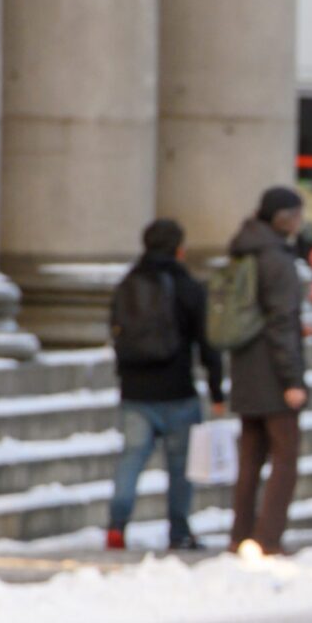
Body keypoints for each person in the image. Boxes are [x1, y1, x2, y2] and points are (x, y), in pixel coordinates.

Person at [106, 218, 223, 552]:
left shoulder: (128, 283)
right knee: (180, 468)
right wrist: (216, 388)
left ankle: (117, 524)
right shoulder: (187, 287)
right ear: (179, 249)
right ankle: (178, 529)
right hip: (178, 391)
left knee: (130, 460)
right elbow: (207, 341)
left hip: (135, 391)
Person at [226, 187, 308, 556]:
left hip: (245, 367)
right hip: (273, 374)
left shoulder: (244, 252)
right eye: (297, 214)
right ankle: (268, 539)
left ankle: (240, 534)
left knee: (250, 459)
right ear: (283, 217)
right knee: (285, 458)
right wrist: (292, 379)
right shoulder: (277, 259)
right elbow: (281, 322)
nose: (300, 222)